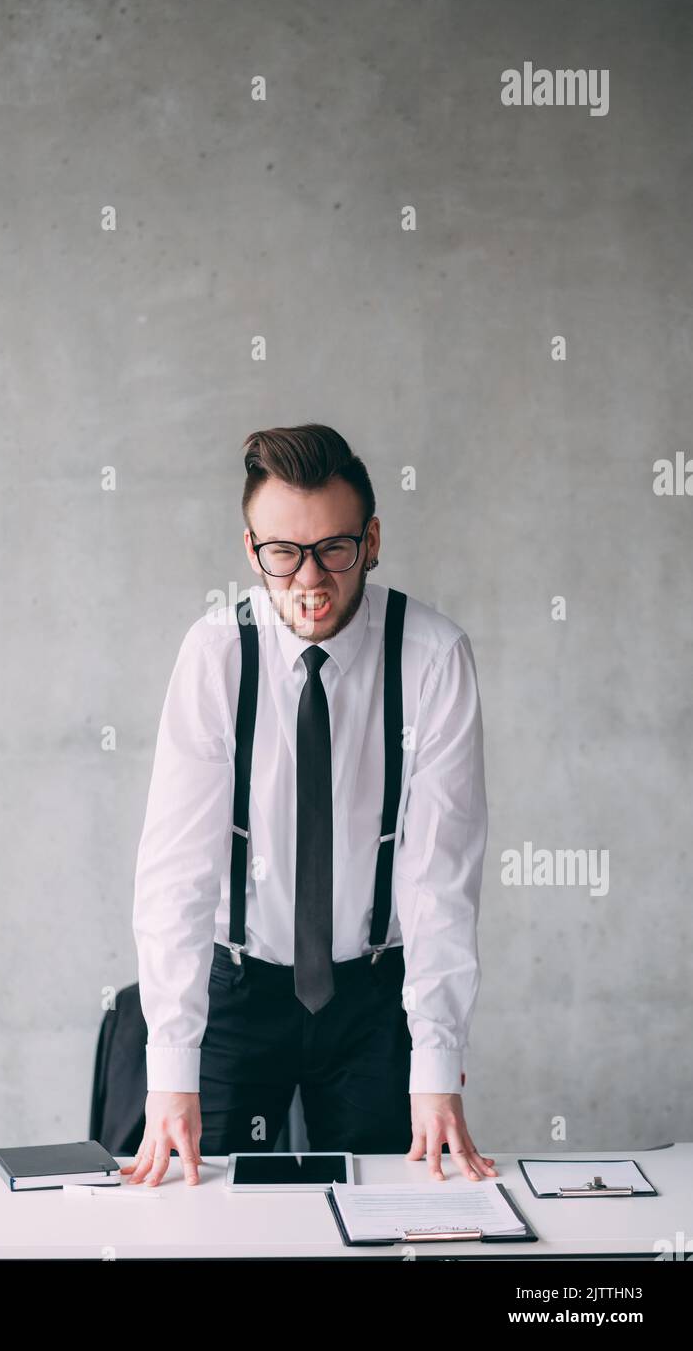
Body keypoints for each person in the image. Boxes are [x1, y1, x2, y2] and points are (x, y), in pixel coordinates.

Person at [121, 423, 495, 1187]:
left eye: (334, 548)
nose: (309, 579)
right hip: (237, 994)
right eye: (282, 553)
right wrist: (172, 1069)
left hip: (372, 1003)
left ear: (373, 538)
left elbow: (439, 881)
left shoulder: (432, 658)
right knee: (207, 1218)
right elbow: (177, 873)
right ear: (252, 549)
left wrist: (437, 1065)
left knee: (399, 1218)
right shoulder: (217, 655)